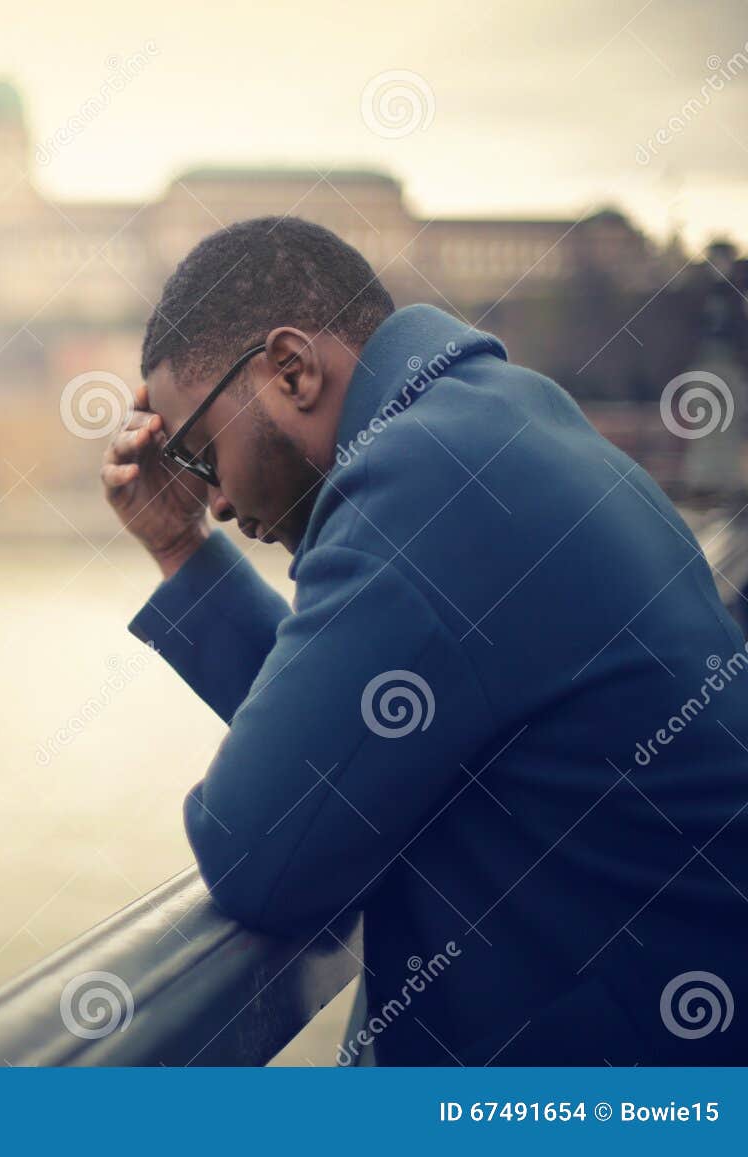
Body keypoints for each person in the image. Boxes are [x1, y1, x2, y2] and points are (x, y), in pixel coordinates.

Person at [103, 216, 747, 1065]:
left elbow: (258, 851)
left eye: (200, 450)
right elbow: (350, 739)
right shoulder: (497, 420)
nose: (213, 498)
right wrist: (180, 548)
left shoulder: (424, 480)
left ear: (291, 370)